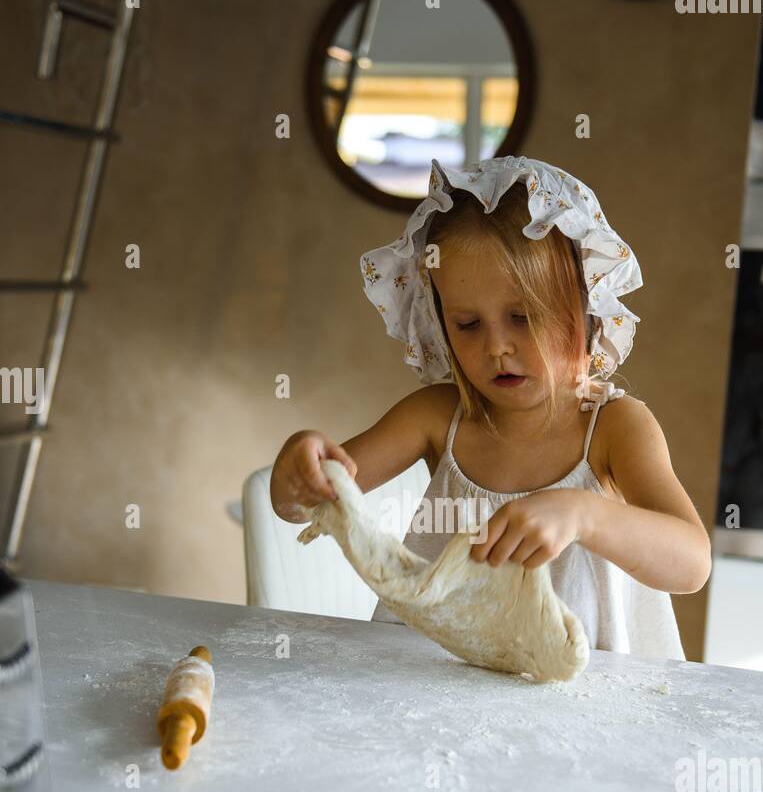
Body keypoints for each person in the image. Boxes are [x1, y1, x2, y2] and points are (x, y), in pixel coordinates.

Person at [271, 156, 709, 658]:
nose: (496, 346)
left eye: (522, 317)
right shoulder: (436, 418)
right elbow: (297, 505)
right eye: (468, 324)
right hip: (436, 691)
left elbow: (691, 565)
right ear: (438, 321)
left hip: (580, 707)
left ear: (584, 311)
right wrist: (297, 457)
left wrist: (585, 515)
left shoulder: (613, 428)